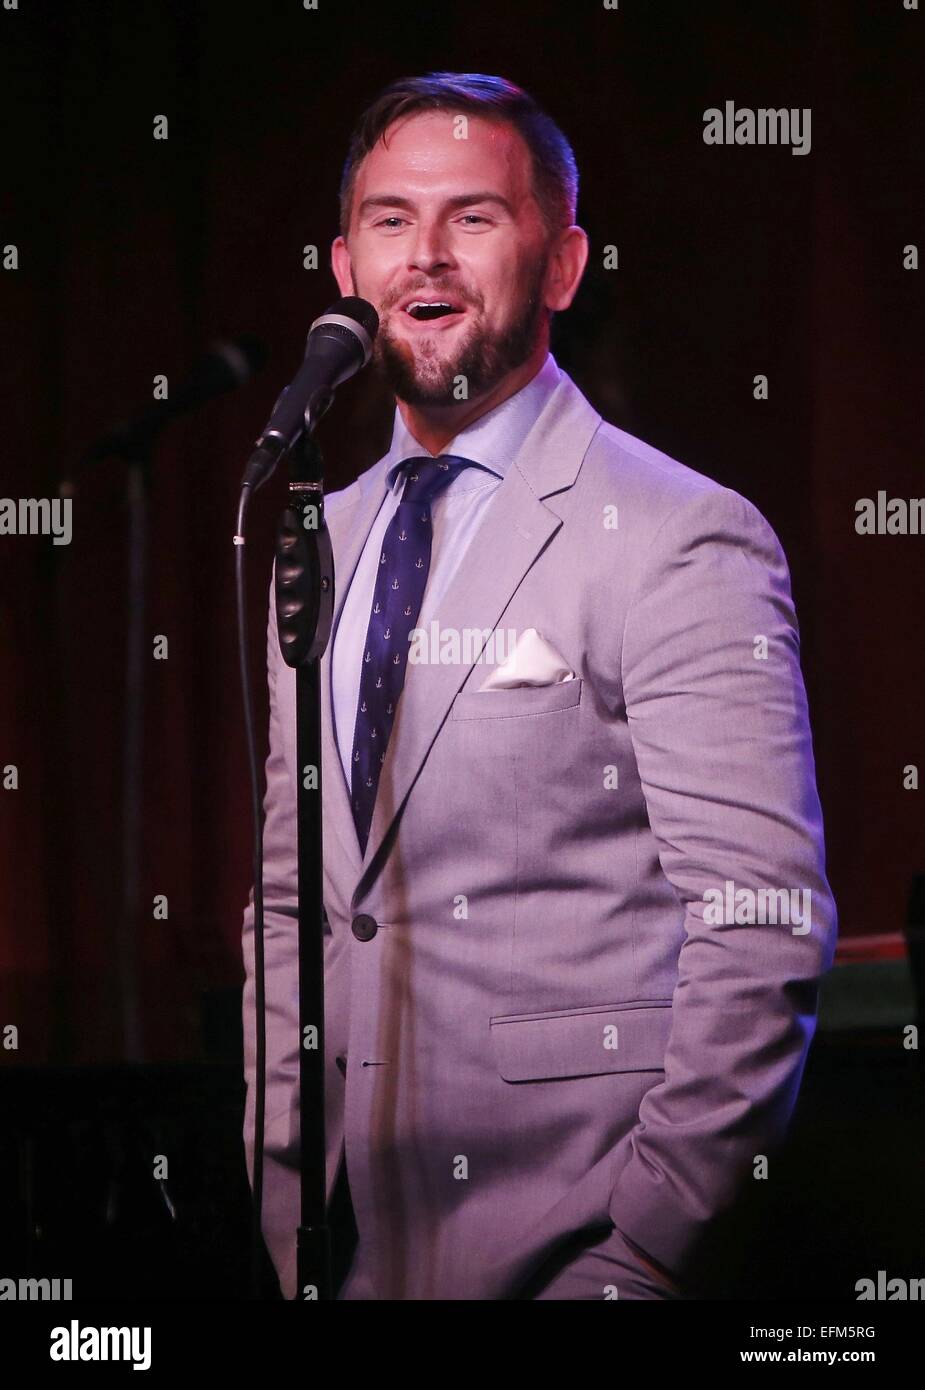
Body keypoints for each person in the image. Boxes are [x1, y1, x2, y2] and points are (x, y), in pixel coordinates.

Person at [241, 71, 837, 1301]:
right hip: (347, 1261)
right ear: (346, 263)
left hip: (578, 1259)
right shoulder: (323, 541)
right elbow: (298, 900)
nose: (429, 256)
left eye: (474, 216)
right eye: (393, 220)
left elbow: (761, 924)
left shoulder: (677, 534)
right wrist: (281, 1192)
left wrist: (641, 1255)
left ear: (560, 264)